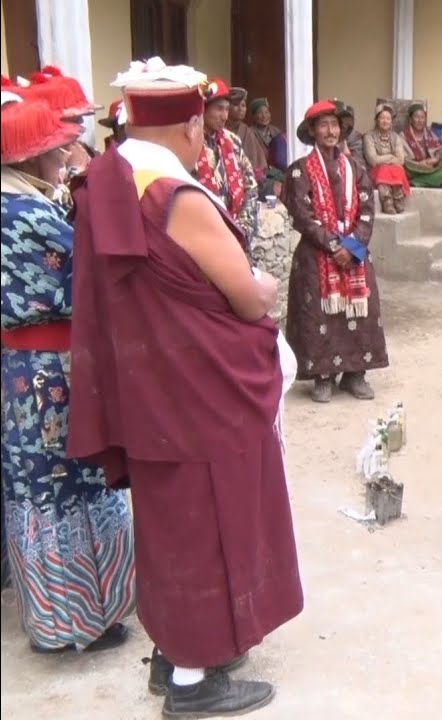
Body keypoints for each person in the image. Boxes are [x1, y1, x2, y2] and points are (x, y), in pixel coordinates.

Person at [68, 59, 302, 717]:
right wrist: (262, 289)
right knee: (206, 524)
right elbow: (246, 299)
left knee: (171, 524)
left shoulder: (106, 180)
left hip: (150, 386)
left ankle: (173, 654)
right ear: (192, 125)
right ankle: (195, 683)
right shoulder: (176, 196)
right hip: (203, 391)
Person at [2, 95, 136, 655]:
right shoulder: (26, 215)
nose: (64, 158)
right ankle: (76, 620)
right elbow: (87, 273)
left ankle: (53, 617)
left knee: (34, 487)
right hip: (50, 372)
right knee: (69, 482)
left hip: (19, 370)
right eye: (55, 152)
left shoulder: (16, 202)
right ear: (31, 159)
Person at [284, 100, 390, 403]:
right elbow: (301, 215)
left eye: (335, 125)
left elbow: (368, 210)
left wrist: (352, 247)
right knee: (317, 311)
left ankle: (356, 374)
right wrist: (334, 246)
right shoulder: (298, 172)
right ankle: (322, 376)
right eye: (324, 125)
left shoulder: (356, 168)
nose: (331, 131)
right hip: (316, 254)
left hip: (354, 254)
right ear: (312, 131)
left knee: (362, 308)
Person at [195, 77, 259, 240]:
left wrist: (243, 229)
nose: (224, 116)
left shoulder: (233, 141)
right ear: (203, 108)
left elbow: (250, 186)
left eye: (226, 109)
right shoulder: (190, 144)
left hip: (237, 232)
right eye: (218, 109)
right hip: (203, 233)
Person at [363, 103, 412, 214]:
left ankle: (398, 198)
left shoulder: (396, 137)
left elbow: (400, 160)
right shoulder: (369, 137)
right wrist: (390, 157)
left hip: (393, 170)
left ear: (391, 122)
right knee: (384, 169)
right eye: (382, 118)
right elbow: (373, 160)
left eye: (388, 118)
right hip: (375, 171)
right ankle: (387, 201)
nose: (385, 121)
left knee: (397, 168)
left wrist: (385, 160)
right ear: (376, 120)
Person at [403, 102, 442, 188]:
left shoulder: (429, 133)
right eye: (416, 117)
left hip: (430, 168)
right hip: (414, 171)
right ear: (410, 119)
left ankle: (419, 182)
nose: (420, 120)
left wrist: (435, 158)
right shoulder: (403, 136)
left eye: (422, 117)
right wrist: (419, 164)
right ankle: (420, 181)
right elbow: (403, 159)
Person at [241, 98, 288, 198]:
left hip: (276, 171)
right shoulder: (249, 133)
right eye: (260, 113)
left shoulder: (276, 131)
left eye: (266, 112)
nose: (264, 116)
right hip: (259, 172)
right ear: (254, 116)